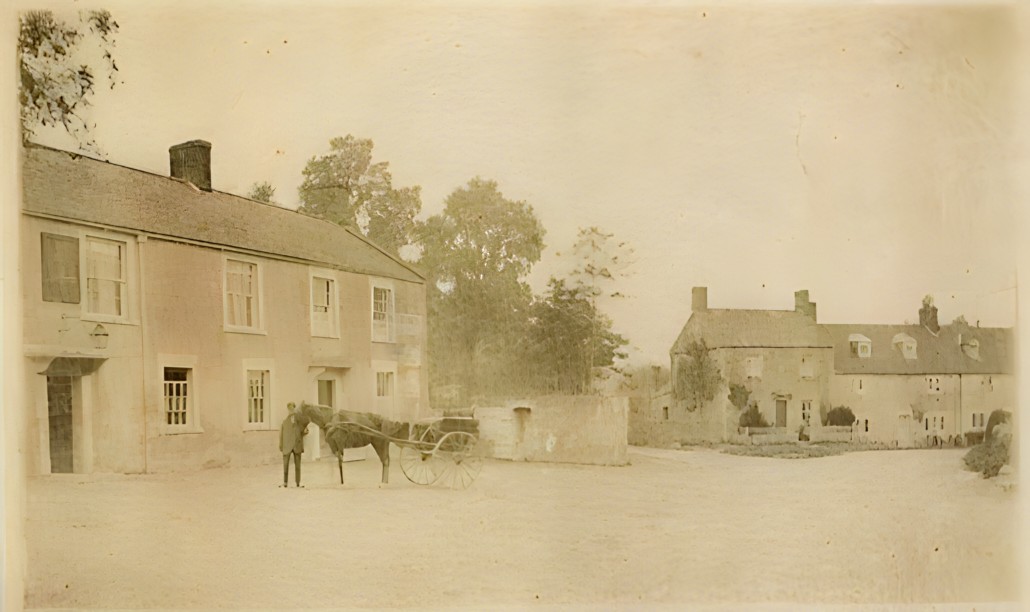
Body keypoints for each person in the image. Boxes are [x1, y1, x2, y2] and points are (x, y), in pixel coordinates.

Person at [279, 402, 308, 487]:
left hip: (297, 445)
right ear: (288, 410)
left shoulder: (299, 421)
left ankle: (298, 482)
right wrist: (281, 445)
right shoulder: (284, 421)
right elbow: (281, 434)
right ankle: (285, 482)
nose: (291, 410)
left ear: (294, 409)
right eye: (289, 409)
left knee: (298, 465)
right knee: (285, 465)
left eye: (292, 408)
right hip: (287, 445)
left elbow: (303, 431)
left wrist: (305, 431)